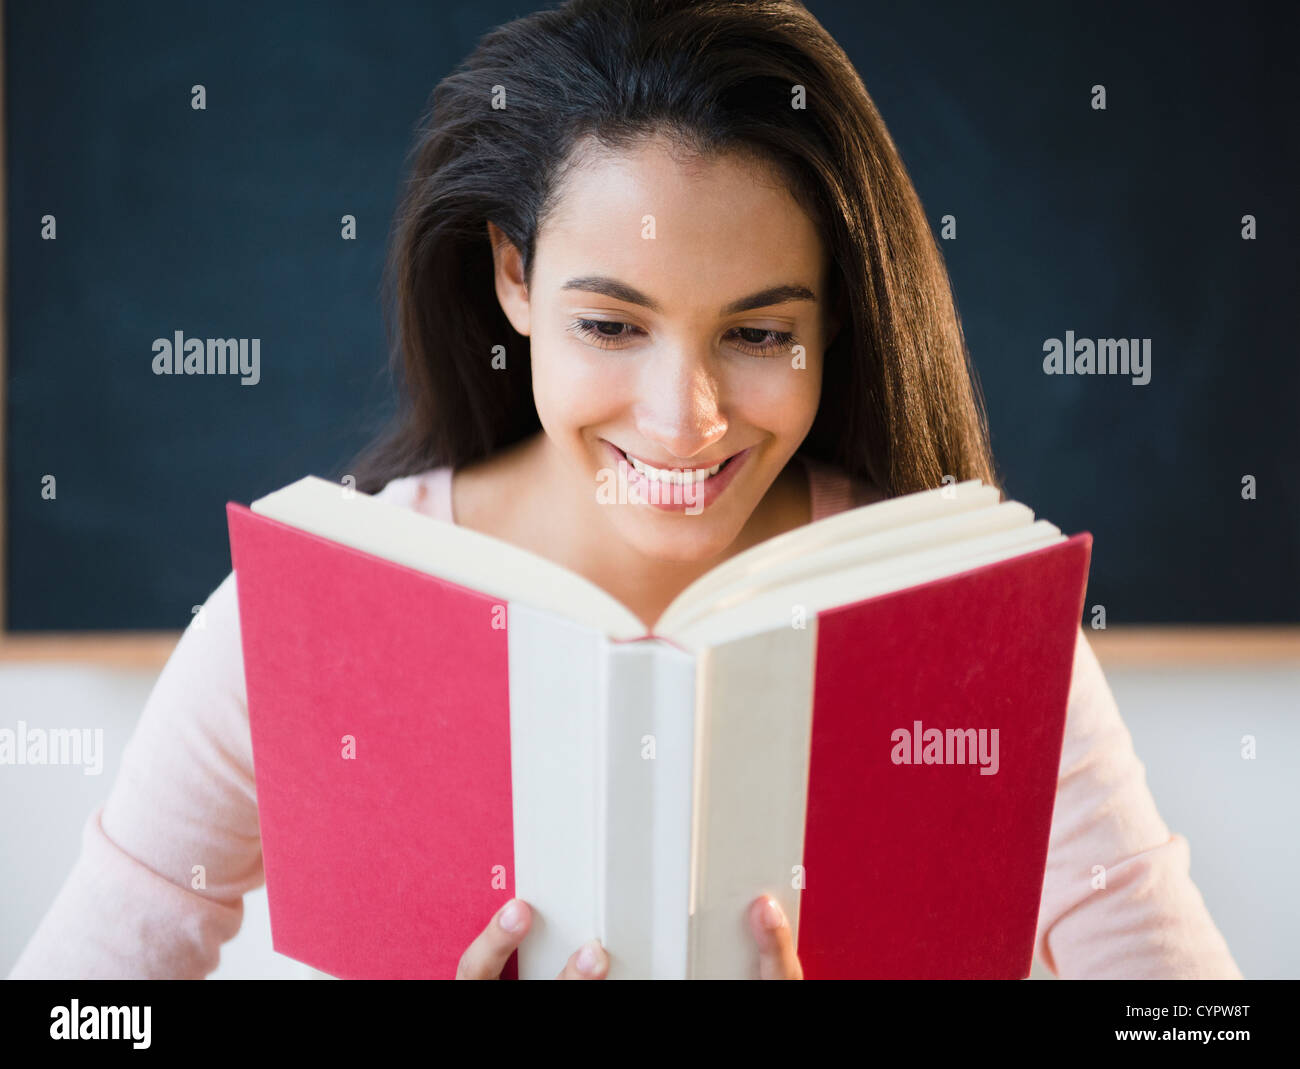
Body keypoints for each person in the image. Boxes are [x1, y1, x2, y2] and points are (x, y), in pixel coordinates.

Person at [9, 0, 1241, 980]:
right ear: (513, 277)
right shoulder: (303, 615)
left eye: (759, 336)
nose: (681, 417)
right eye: (611, 322)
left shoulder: (965, 622)